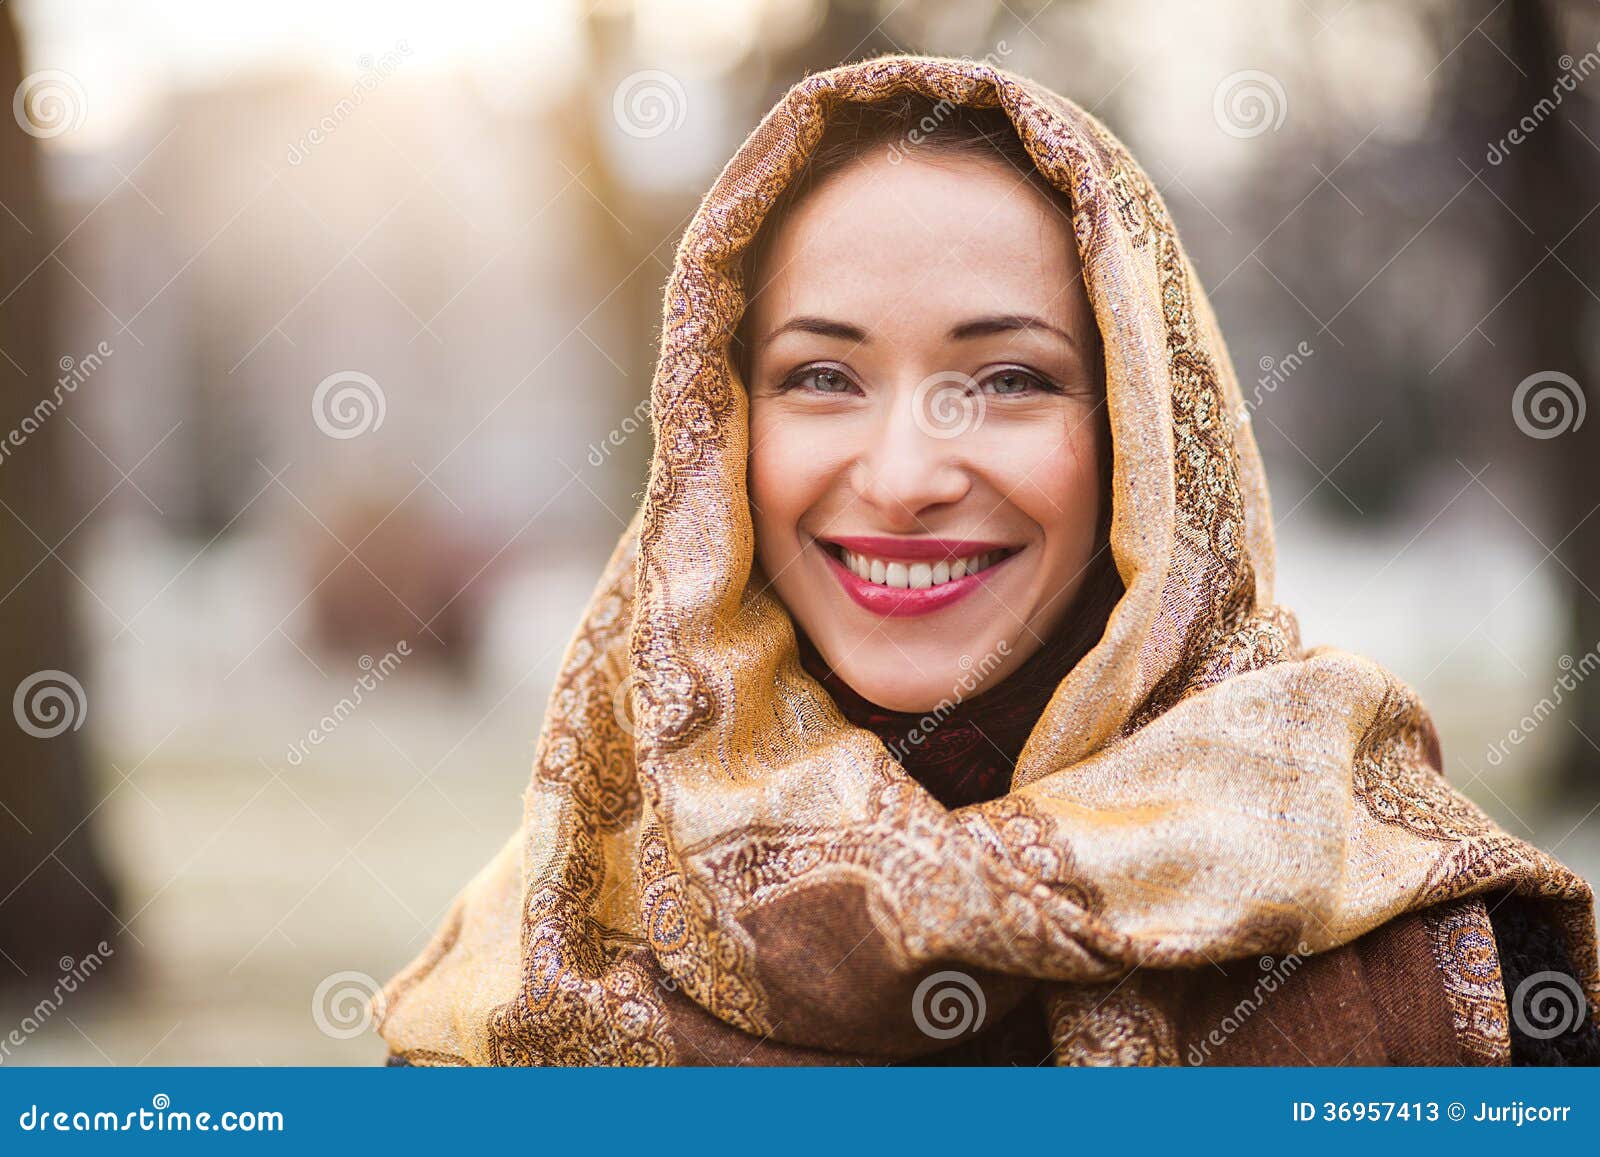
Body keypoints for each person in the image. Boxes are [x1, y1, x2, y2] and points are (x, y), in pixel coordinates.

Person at [375, 53, 1599, 1066]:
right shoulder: (549, 952)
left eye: (1009, 378)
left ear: (1138, 443)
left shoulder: (1424, 938)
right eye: (821, 375)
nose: (904, 475)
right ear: (721, 434)